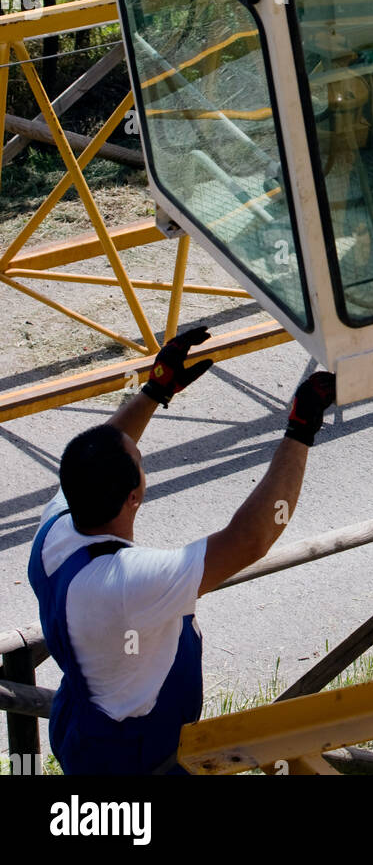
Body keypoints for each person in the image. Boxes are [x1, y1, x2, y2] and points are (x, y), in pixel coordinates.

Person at [28, 327, 335, 775]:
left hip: (85, 729)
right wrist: (300, 429)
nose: (137, 448)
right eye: (140, 460)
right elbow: (251, 539)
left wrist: (155, 389)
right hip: (138, 763)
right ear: (135, 497)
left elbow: (99, 451)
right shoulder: (130, 585)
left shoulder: (55, 531)